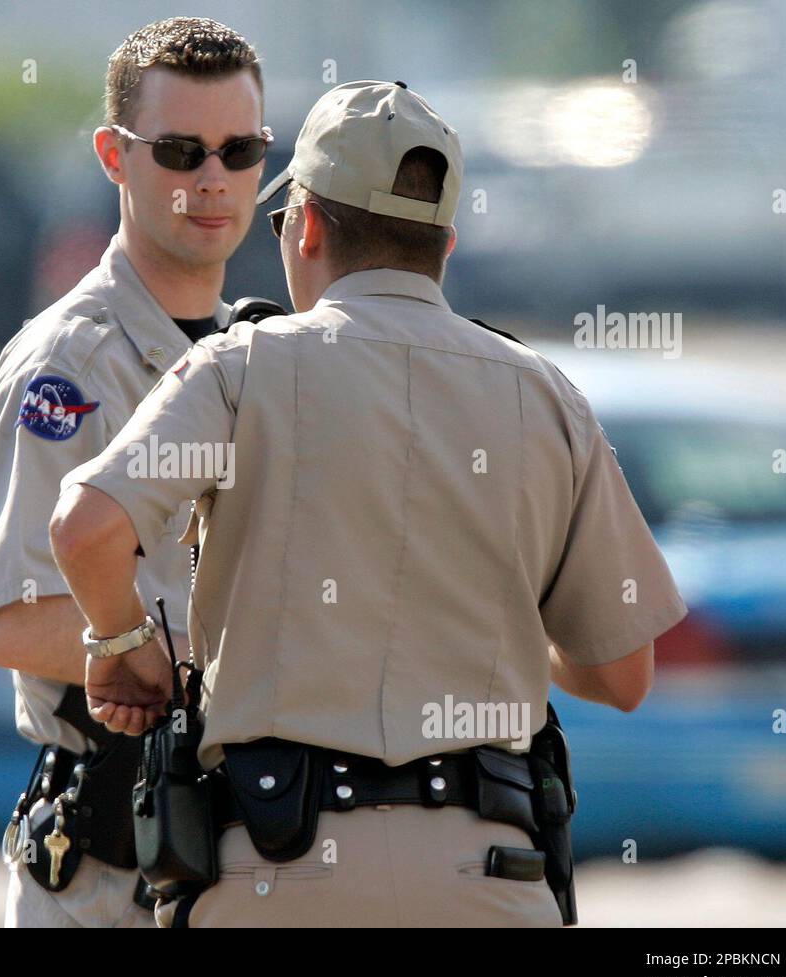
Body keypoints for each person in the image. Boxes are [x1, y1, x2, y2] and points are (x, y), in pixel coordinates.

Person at [48, 80, 689, 927]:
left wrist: (122, 643)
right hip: (491, 876)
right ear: (447, 244)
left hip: (277, 871)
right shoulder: (547, 395)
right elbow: (623, 671)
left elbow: (87, 527)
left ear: (305, 222)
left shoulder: (240, 370)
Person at [0, 17, 272, 928]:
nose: (212, 179)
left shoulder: (258, 353)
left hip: (239, 858)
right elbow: (15, 618)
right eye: (178, 151)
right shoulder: (66, 368)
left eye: (240, 149)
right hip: (108, 870)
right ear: (115, 155)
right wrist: (202, 662)